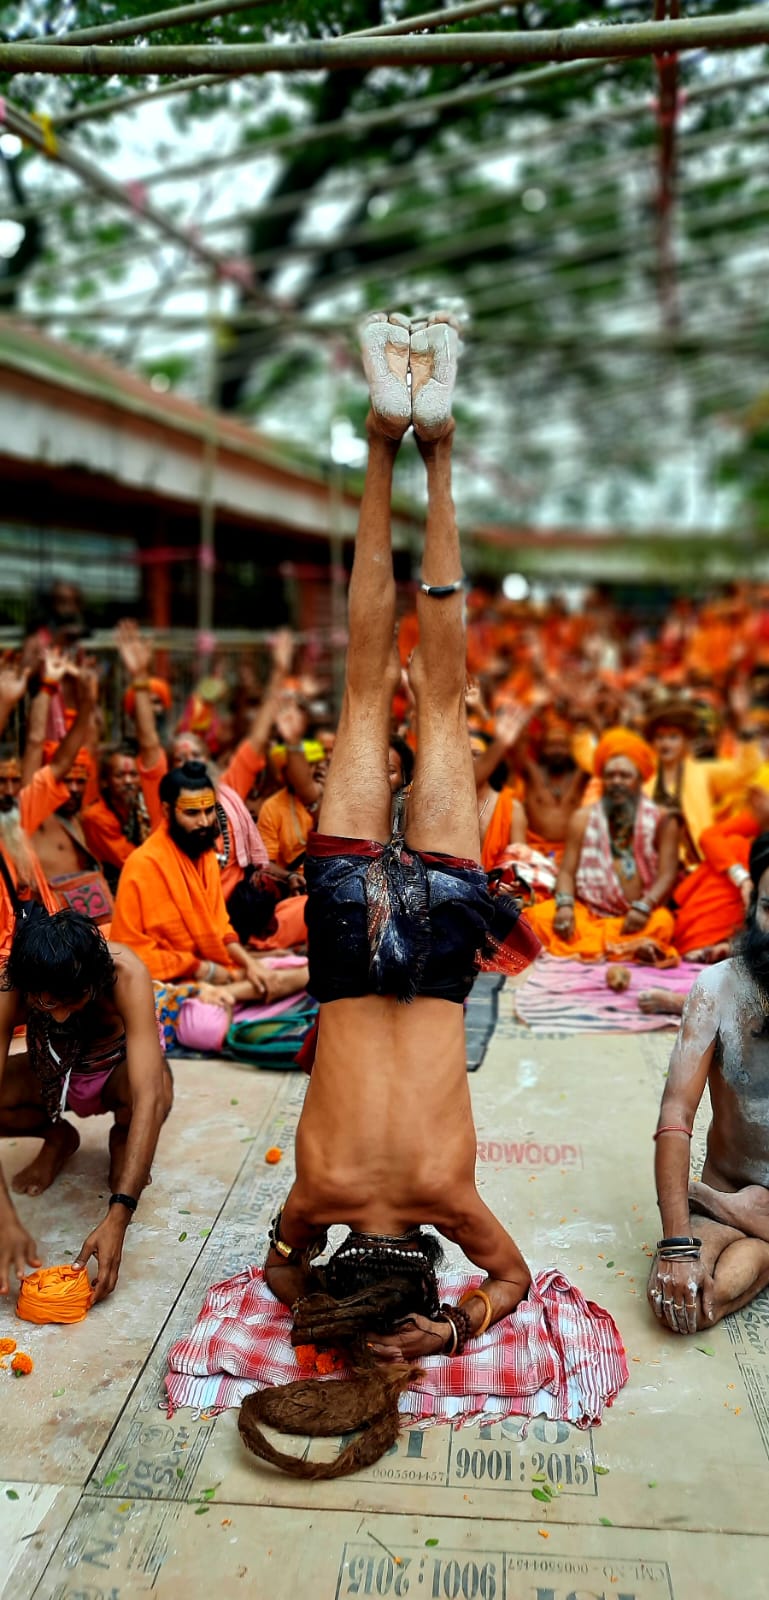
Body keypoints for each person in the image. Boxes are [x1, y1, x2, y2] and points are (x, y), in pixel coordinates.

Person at [263, 311, 534, 1361]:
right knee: (368, 687)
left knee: (441, 698)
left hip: (434, 953)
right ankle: (385, 434)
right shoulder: (315, 1193)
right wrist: (309, 1300)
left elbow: (505, 1277)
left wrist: (448, 1328)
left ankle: (438, 446)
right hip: (344, 943)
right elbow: (284, 1267)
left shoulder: (444, 1197)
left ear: (419, 1268)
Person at [0, 910, 172, 1302]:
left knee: (155, 1094)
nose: (59, 1013)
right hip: (49, 1075)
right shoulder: (11, 985)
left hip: (114, 1075)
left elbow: (148, 1095)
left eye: (73, 999)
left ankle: (121, 1138)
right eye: (46, 1002)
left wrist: (120, 1212)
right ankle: (58, 1136)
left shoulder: (124, 973)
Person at [647, 833, 769, 1333]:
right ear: (752, 907)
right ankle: (740, 1219)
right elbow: (676, 1114)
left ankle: (740, 1221)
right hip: (730, 1182)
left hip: (725, 1201)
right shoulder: (716, 987)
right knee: (682, 1303)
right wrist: (677, 1243)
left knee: (716, 1289)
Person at [110, 761, 306, 1011]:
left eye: (209, 811)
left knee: (294, 967)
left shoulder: (204, 856)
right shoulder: (143, 864)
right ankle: (229, 993)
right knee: (208, 1024)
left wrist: (249, 962)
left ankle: (234, 990)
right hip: (161, 984)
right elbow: (131, 954)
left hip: (211, 971)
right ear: (168, 812)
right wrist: (203, 970)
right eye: (192, 813)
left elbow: (219, 925)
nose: (204, 822)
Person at [526, 728, 680, 963]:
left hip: (637, 915)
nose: (616, 782)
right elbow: (567, 871)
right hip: (588, 912)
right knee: (538, 917)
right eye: (610, 776)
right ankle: (624, 948)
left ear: (640, 778)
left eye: (624, 776)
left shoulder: (663, 819)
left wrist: (644, 907)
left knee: (662, 922)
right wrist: (565, 906)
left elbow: (667, 875)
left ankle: (600, 946)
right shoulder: (583, 817)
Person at [644, 699, 760, 865]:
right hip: (657, 866)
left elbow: (745, 771)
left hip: (699, 862)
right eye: (660, 738)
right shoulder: (645, 781)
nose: (665, 744)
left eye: (673, 737)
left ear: (686, 741)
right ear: (653, 742)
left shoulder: (701, 772)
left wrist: (744, 725)